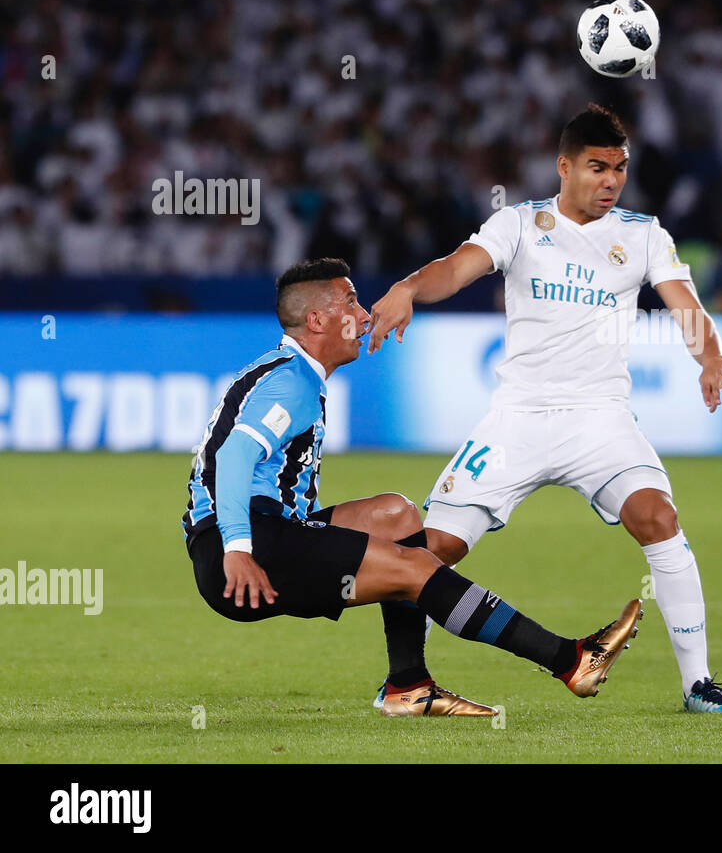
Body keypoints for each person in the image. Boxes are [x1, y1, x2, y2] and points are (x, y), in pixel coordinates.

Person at [367, 105, 722, 713]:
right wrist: (410, 286)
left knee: (658, 517)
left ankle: (698, 685)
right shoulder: (519, 224)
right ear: (564, 166)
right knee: (426, 548)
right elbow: (456, 270)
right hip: (517, 417)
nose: (610, 181)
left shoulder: (644, 233)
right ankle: (405, 682)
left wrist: (709, 358)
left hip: (600, 420)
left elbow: (686, 305)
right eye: (597, 168)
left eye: (620, 169)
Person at [182, 258, 641, 716]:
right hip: (242, 549)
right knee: (416, 568)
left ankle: (408, 685)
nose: (364, 315)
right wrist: (238, 550)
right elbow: (233, 456)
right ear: (317, 320)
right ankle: (570, 660)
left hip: (262, 532)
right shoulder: (289, 382)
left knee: (396, 515)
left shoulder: (289, 372)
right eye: (351, 302)